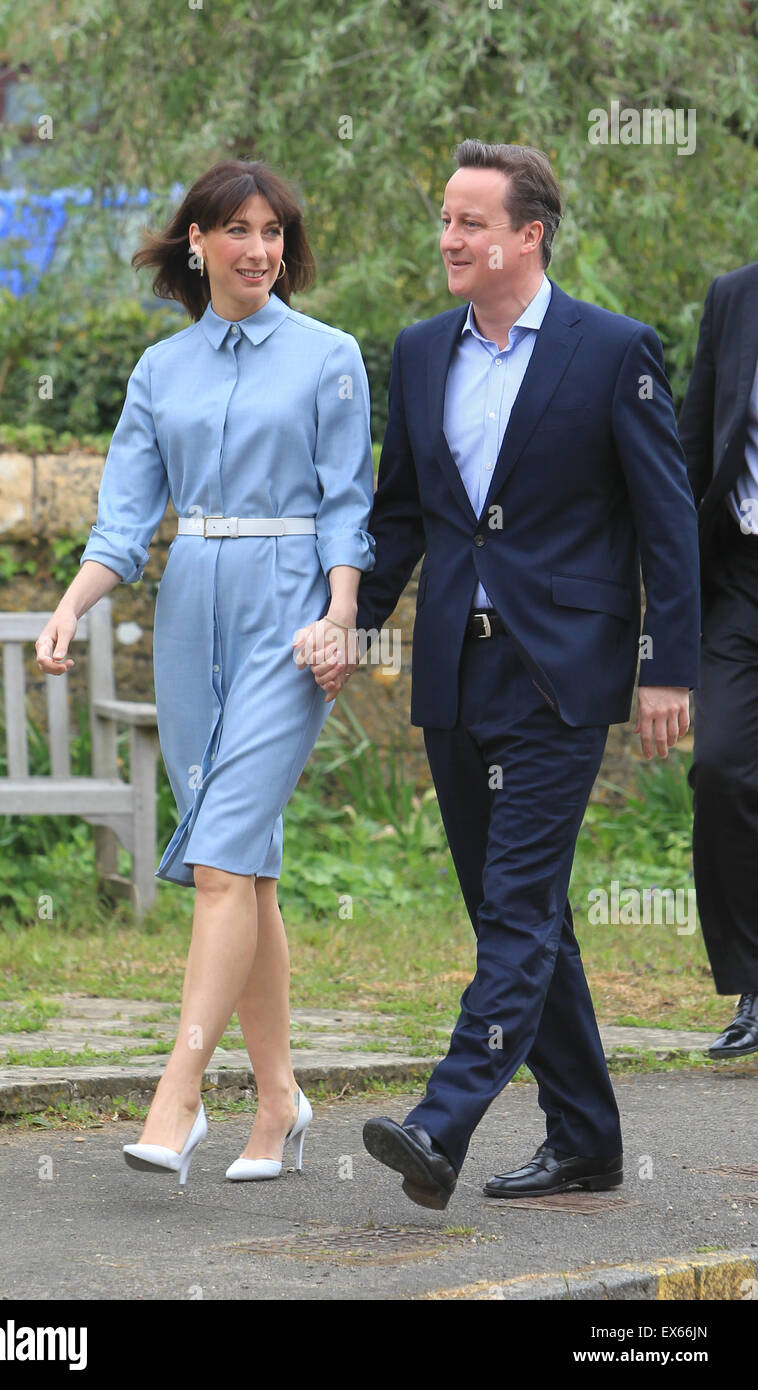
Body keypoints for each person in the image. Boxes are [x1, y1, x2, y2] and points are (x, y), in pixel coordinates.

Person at [299, 140, 700, 1208]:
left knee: (518, 908)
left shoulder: (614, 350)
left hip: (562, 674)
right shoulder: (422, 351)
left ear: (529, 234)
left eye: (471, 221)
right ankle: (588, 1139)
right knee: (517, 915)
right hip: (454, 676)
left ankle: (443, 1118)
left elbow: (670, 528)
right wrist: (348, 624)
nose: (448, 237)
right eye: (445, 217)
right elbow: (398, 520)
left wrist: (671, 667)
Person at [35, 159, 375, 1189]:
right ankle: (278, 1100)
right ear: (198, 242)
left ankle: (178, 1094)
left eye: (274, 231)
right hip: (191, 608)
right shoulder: (159, 371)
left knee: (221, 862)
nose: (259, 249)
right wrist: (70, 603)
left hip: (290, 619)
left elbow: (347, 503)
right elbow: (127, 525)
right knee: (247, 868)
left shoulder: (330, 356)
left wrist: (342, 614)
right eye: (238, 229)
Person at [679, 260, 758, 1059]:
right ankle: (752, 980)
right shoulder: (735, 295)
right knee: (725, 769)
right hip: (738, 573)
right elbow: (696, 438)